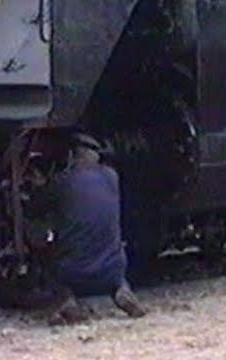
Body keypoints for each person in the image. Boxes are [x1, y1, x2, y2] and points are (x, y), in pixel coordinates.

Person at [39, 132, 147, 324]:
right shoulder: (112, 177)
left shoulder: (64, 181)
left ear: (72, 155)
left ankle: (66, 300)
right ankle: (122, 290)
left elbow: (35, 206)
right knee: (111, 252)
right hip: (113, 270)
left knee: (47, 263)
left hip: (73, 273)